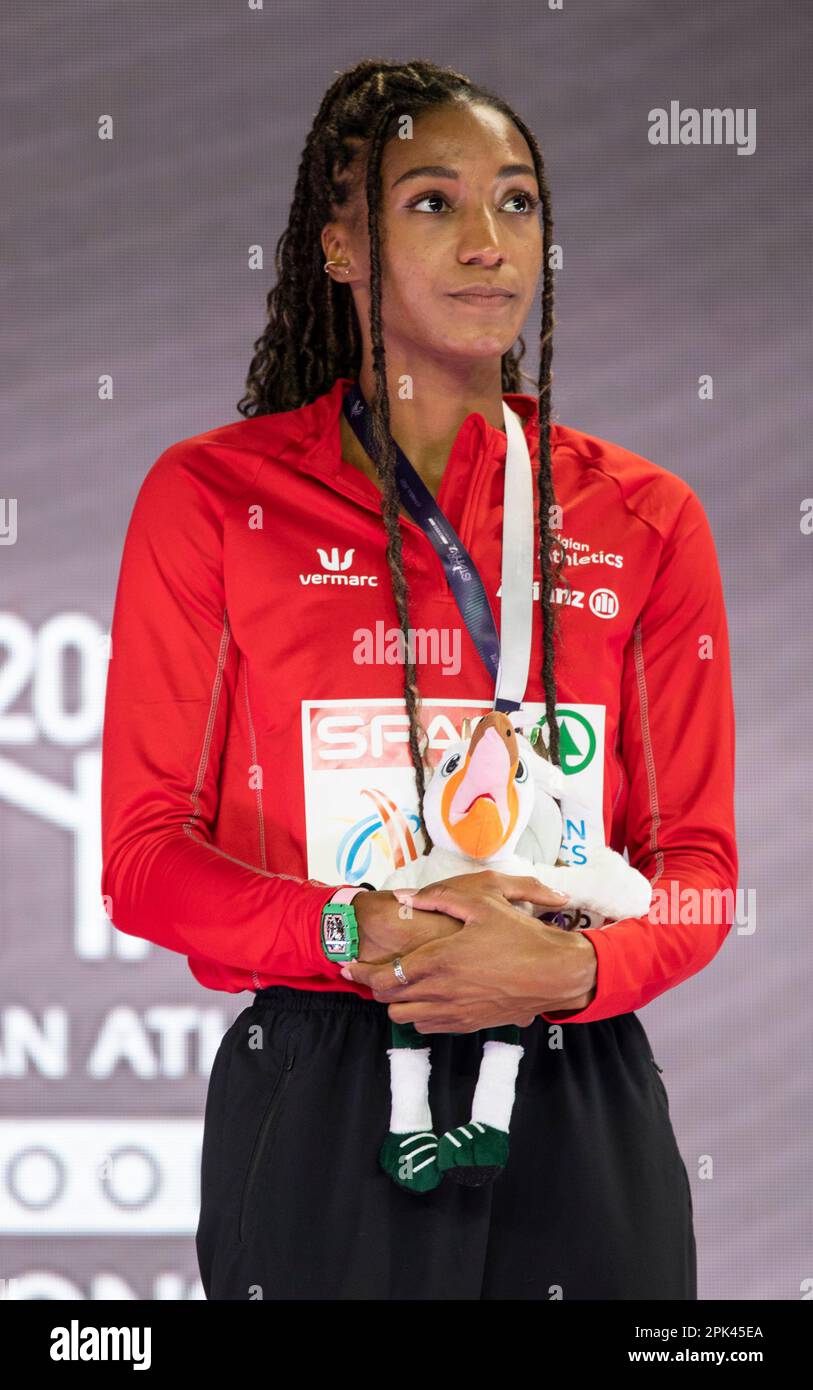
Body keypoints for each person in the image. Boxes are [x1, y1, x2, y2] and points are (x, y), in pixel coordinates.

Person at [100, 58, 738, 1300]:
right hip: (325, 1079)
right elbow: (141, 858)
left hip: (579, 1076)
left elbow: (701, 873)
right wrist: (353, 930)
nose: (489, 240)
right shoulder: (214, 498)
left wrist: (579, 970)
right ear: (341, 246)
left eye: (518, 201)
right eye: (433, 203)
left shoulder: (645, 514)